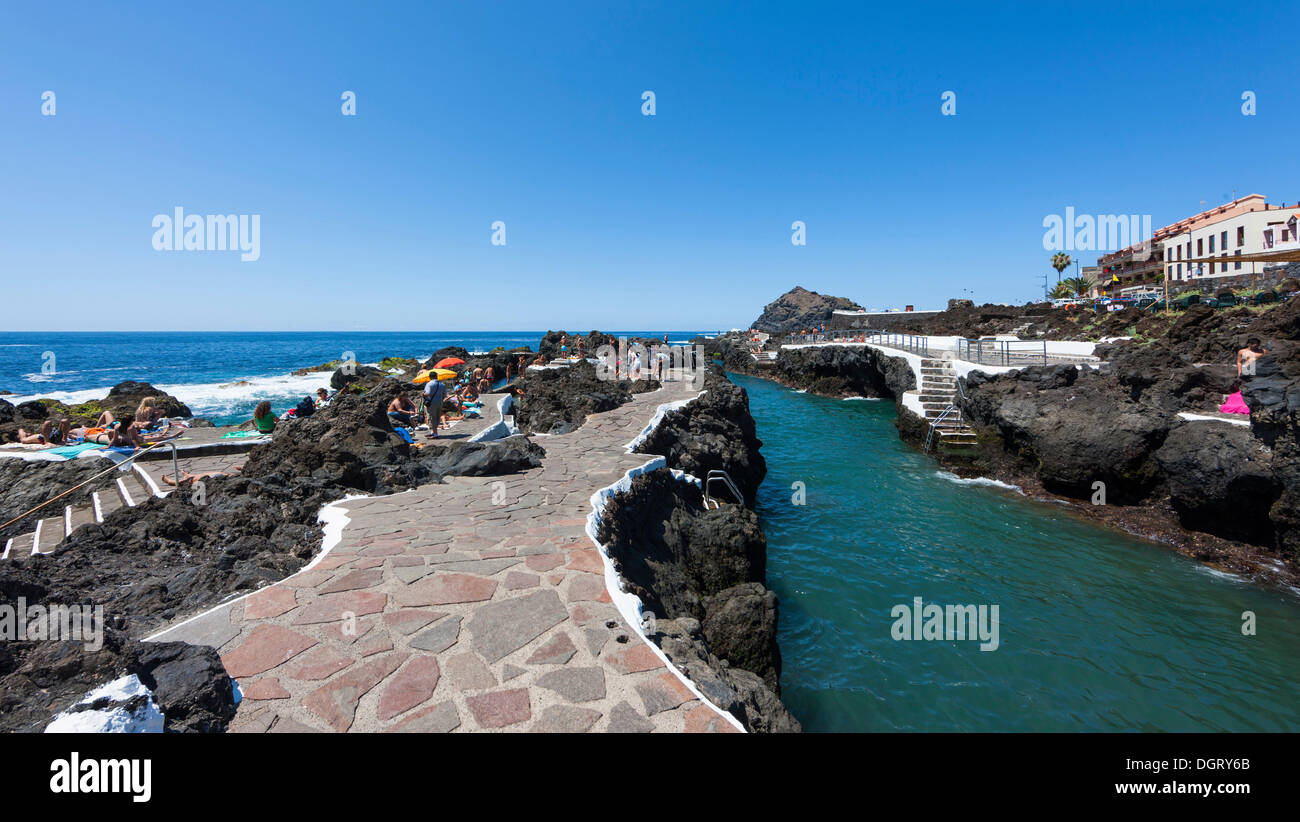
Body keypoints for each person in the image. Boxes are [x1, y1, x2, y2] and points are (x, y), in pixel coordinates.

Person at [423, 373, 446, 439]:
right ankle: (433, 432)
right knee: (437, 417)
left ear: (430, 377)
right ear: (436, 376)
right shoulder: (442, 384)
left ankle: (435, 434)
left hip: (432, 402)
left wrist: (423, 394)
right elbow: (444, 395)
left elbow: (428, 393)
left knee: (431, 417)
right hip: (440, 402)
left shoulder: (429, 384)